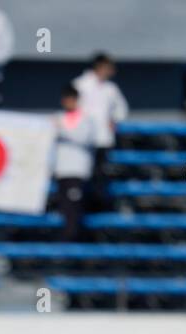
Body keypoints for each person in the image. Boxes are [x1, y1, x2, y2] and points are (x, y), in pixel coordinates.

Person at [54, 84, 98, 242]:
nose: (69, 102)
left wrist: (61, 131)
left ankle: (73, 238)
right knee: (64, 206)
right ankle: (68, 236)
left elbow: (84, 137)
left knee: (75, 205)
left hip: (78, 170)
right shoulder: (58, 118)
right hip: (62, 170)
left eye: (72, 99)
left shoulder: (86, 119)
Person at [72, 53, 129, 150]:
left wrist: (114, 120)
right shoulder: (79, 84)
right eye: (109, 67)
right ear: (100, 67)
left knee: (101, 164)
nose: (112, 71)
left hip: (103, 138)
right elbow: (72, 108)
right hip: (82, 137)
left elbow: (122, 108)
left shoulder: (111, 88)